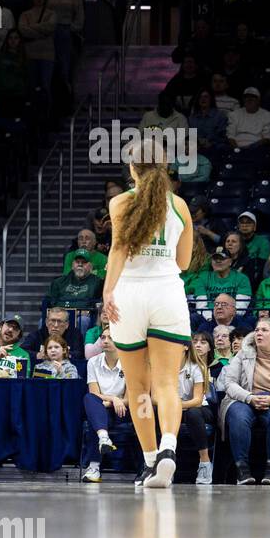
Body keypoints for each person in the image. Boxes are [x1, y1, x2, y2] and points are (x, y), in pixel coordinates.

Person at [103, 140, 196, 488]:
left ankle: (148, 462)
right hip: (167, 292)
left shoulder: (120, 202)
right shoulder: (180, 205)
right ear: (165, 166)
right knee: (167, 383)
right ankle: (169, 450)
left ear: (131, 168)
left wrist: (107, 291)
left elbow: (118, 249)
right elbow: (184, 263)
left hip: (129, 293)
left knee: (138, 386)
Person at [218, 319, 270, 485]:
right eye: (257, 330)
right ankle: (242, 471)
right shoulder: (243, 354)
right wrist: (249, 397)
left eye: (264, 330)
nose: (259, 333)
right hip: (245, 398)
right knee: (238, 416)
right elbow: (230, 383)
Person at [80, 329, 130, 483]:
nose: (105, 341)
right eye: (103, 337)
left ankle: (94, 465)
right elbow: (94, 393)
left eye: (110, 338)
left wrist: (115, 401)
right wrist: (114, 399)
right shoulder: (93, 362)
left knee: (96, 415)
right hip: (102, 406)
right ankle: (103, 439)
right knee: (89, 398)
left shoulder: (130, 362)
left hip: (124, 409)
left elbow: (129, 398)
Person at [179, 334, 215, 484]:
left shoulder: (196, 367)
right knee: (152, 412)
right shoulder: (163, 367)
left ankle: (205, 462)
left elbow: (198, 400)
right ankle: (154, 463)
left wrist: (174, 405)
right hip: (174, 408)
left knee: (193, 413)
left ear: (186, 347)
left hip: (198, 407)